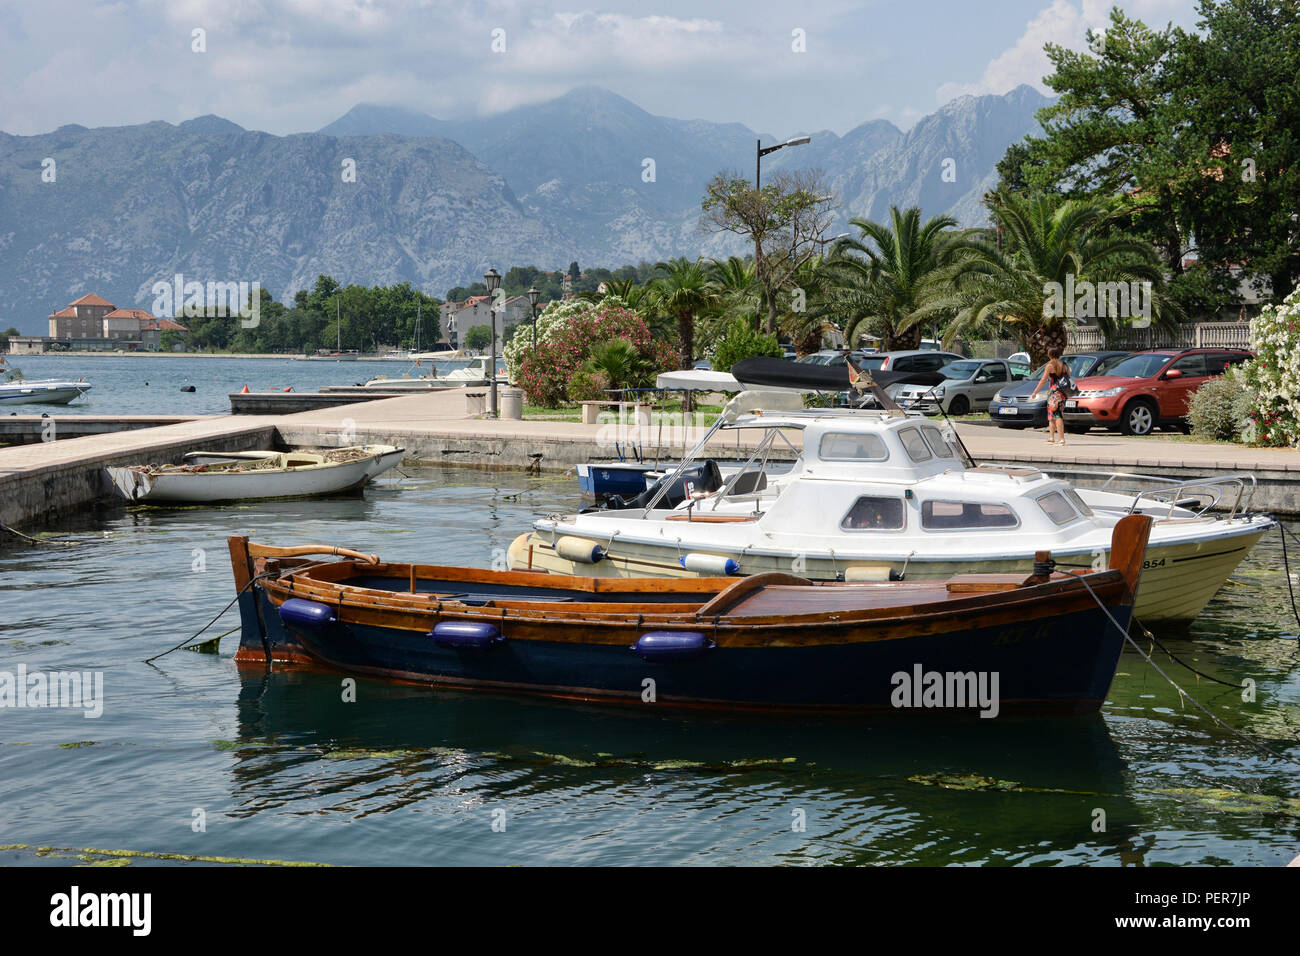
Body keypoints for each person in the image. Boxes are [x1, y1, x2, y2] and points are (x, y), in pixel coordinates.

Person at [1030, 347, 1071, 445]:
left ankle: (1061, 438)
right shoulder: (1065, 365)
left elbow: (1043, 380)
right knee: (1053, 414)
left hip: (1054, 393)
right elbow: (1069, 376)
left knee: (1056, 415)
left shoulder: (1050, 365)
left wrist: (1035, 392)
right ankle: (1051, 437)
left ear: (1049, 355)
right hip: (1063, 393)